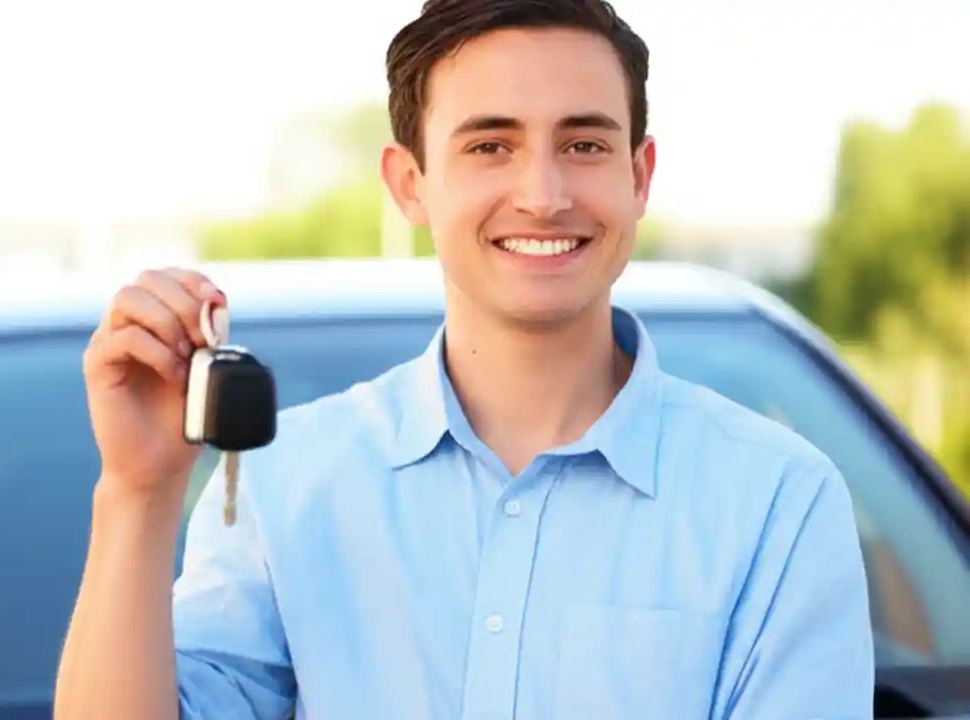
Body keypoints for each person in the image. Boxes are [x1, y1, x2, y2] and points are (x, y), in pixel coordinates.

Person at [53, 0, 875, 717]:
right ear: (409, 183)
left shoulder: (777, 503)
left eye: (584, 145)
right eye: (491, 147)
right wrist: (137, 491)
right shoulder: (285, 486)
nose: (544, 193)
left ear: (639, 174)